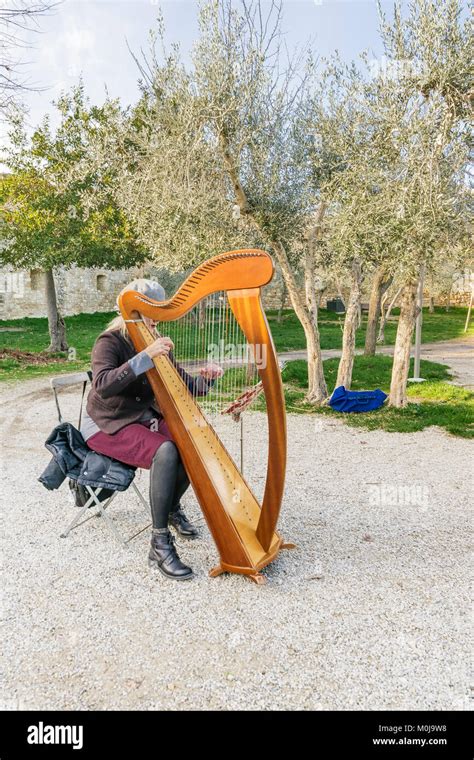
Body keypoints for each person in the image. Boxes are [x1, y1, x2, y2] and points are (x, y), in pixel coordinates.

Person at [81, 279, 223, 582]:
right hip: (107, 424)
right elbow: (103, 385)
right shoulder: (111, 341)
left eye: (159, 312)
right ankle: (159, 544)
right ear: (132, 312)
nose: (156, 319)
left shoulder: (155, 341)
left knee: (191, 440)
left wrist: (208, 379)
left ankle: (170, 508)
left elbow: (188, 386)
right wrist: (145, 356)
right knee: (167, 449)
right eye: (150, 312)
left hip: (140, 419)